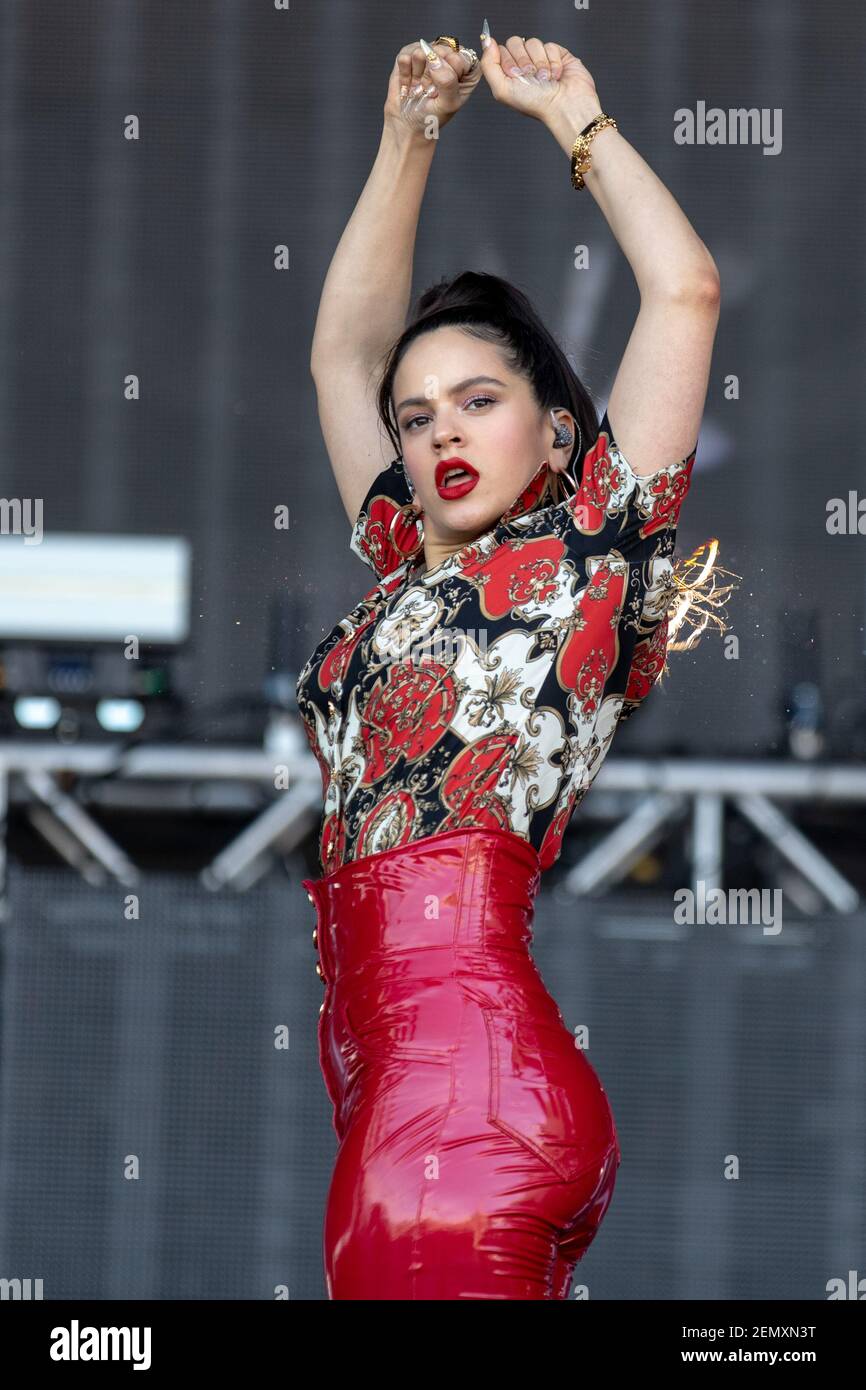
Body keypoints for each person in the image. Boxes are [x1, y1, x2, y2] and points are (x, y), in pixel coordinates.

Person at [296, 26, 722, 1300]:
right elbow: (339, 357)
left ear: (554, 420)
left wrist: (571, 118)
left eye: (478, 400)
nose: (438, 433)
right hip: (420, 1085)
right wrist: (406, 133)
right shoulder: (401, 556)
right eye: (417, 419)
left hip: (456, 1089)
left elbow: (685, 291)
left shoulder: (590, 541)